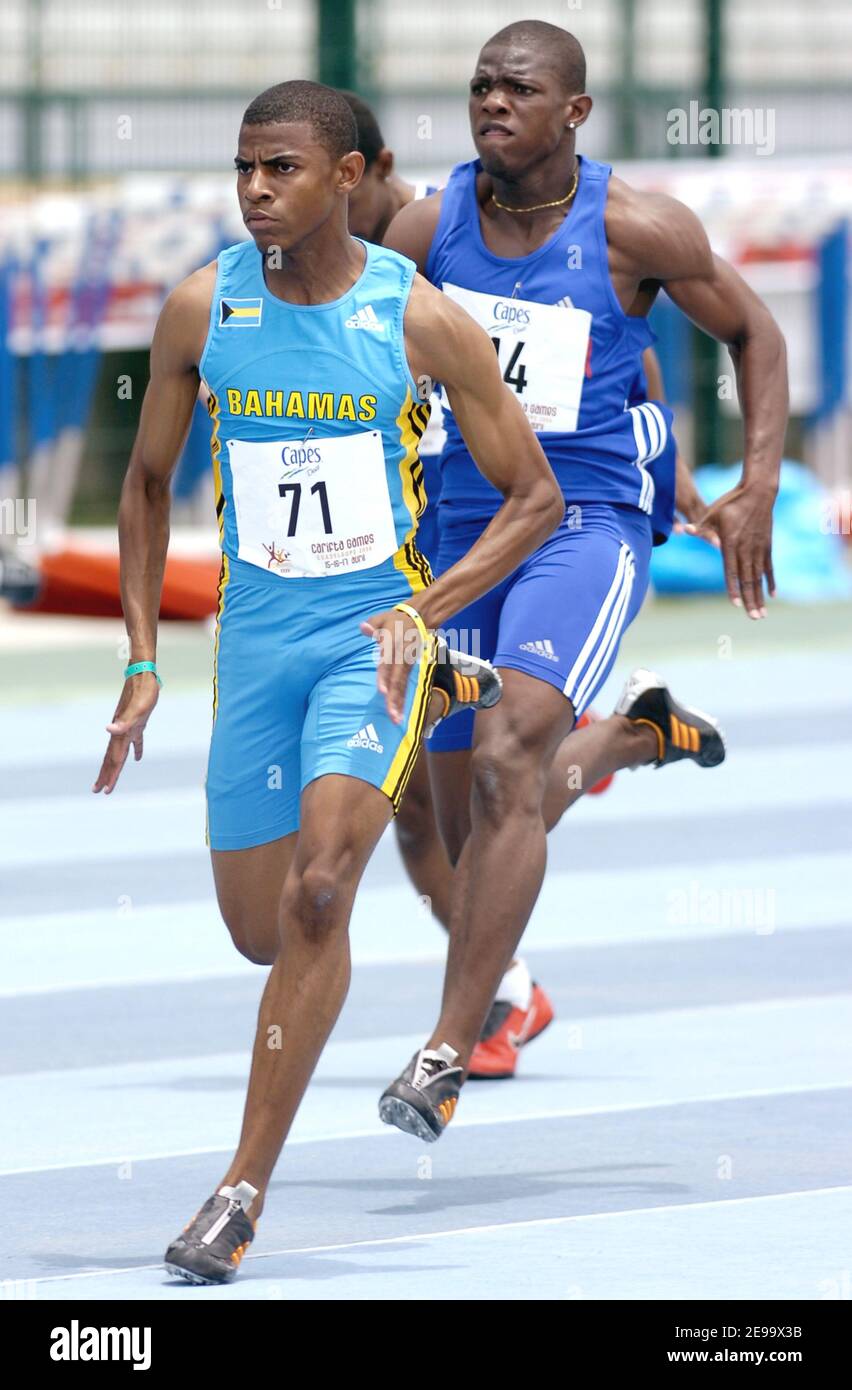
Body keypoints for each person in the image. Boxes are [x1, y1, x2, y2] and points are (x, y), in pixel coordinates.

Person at [92, 79, 566, 1284]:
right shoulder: (205, 307)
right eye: (245, 167)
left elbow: (534, 497)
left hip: (375, 640)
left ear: (350, 176)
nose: (257, 189)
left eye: (283, 169)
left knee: (318, 893)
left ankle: (240, 1190)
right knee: (261, 932)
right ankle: (452, 689)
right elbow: (145, 487)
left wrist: (426, 610)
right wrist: (144, 655)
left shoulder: (419, 317)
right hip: (255, 642)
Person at [377, 19, 786, 1138]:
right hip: (464, 535)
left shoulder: (636, 226)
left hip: (585, 531)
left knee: (511, 757)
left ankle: (447, 1047)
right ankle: (625, 740)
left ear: (575, 112)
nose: (492, 103)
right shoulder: (430, 224)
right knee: (449, 825)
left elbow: (754, 334)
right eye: (478, 87)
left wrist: (750, 485)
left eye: (518, 88)